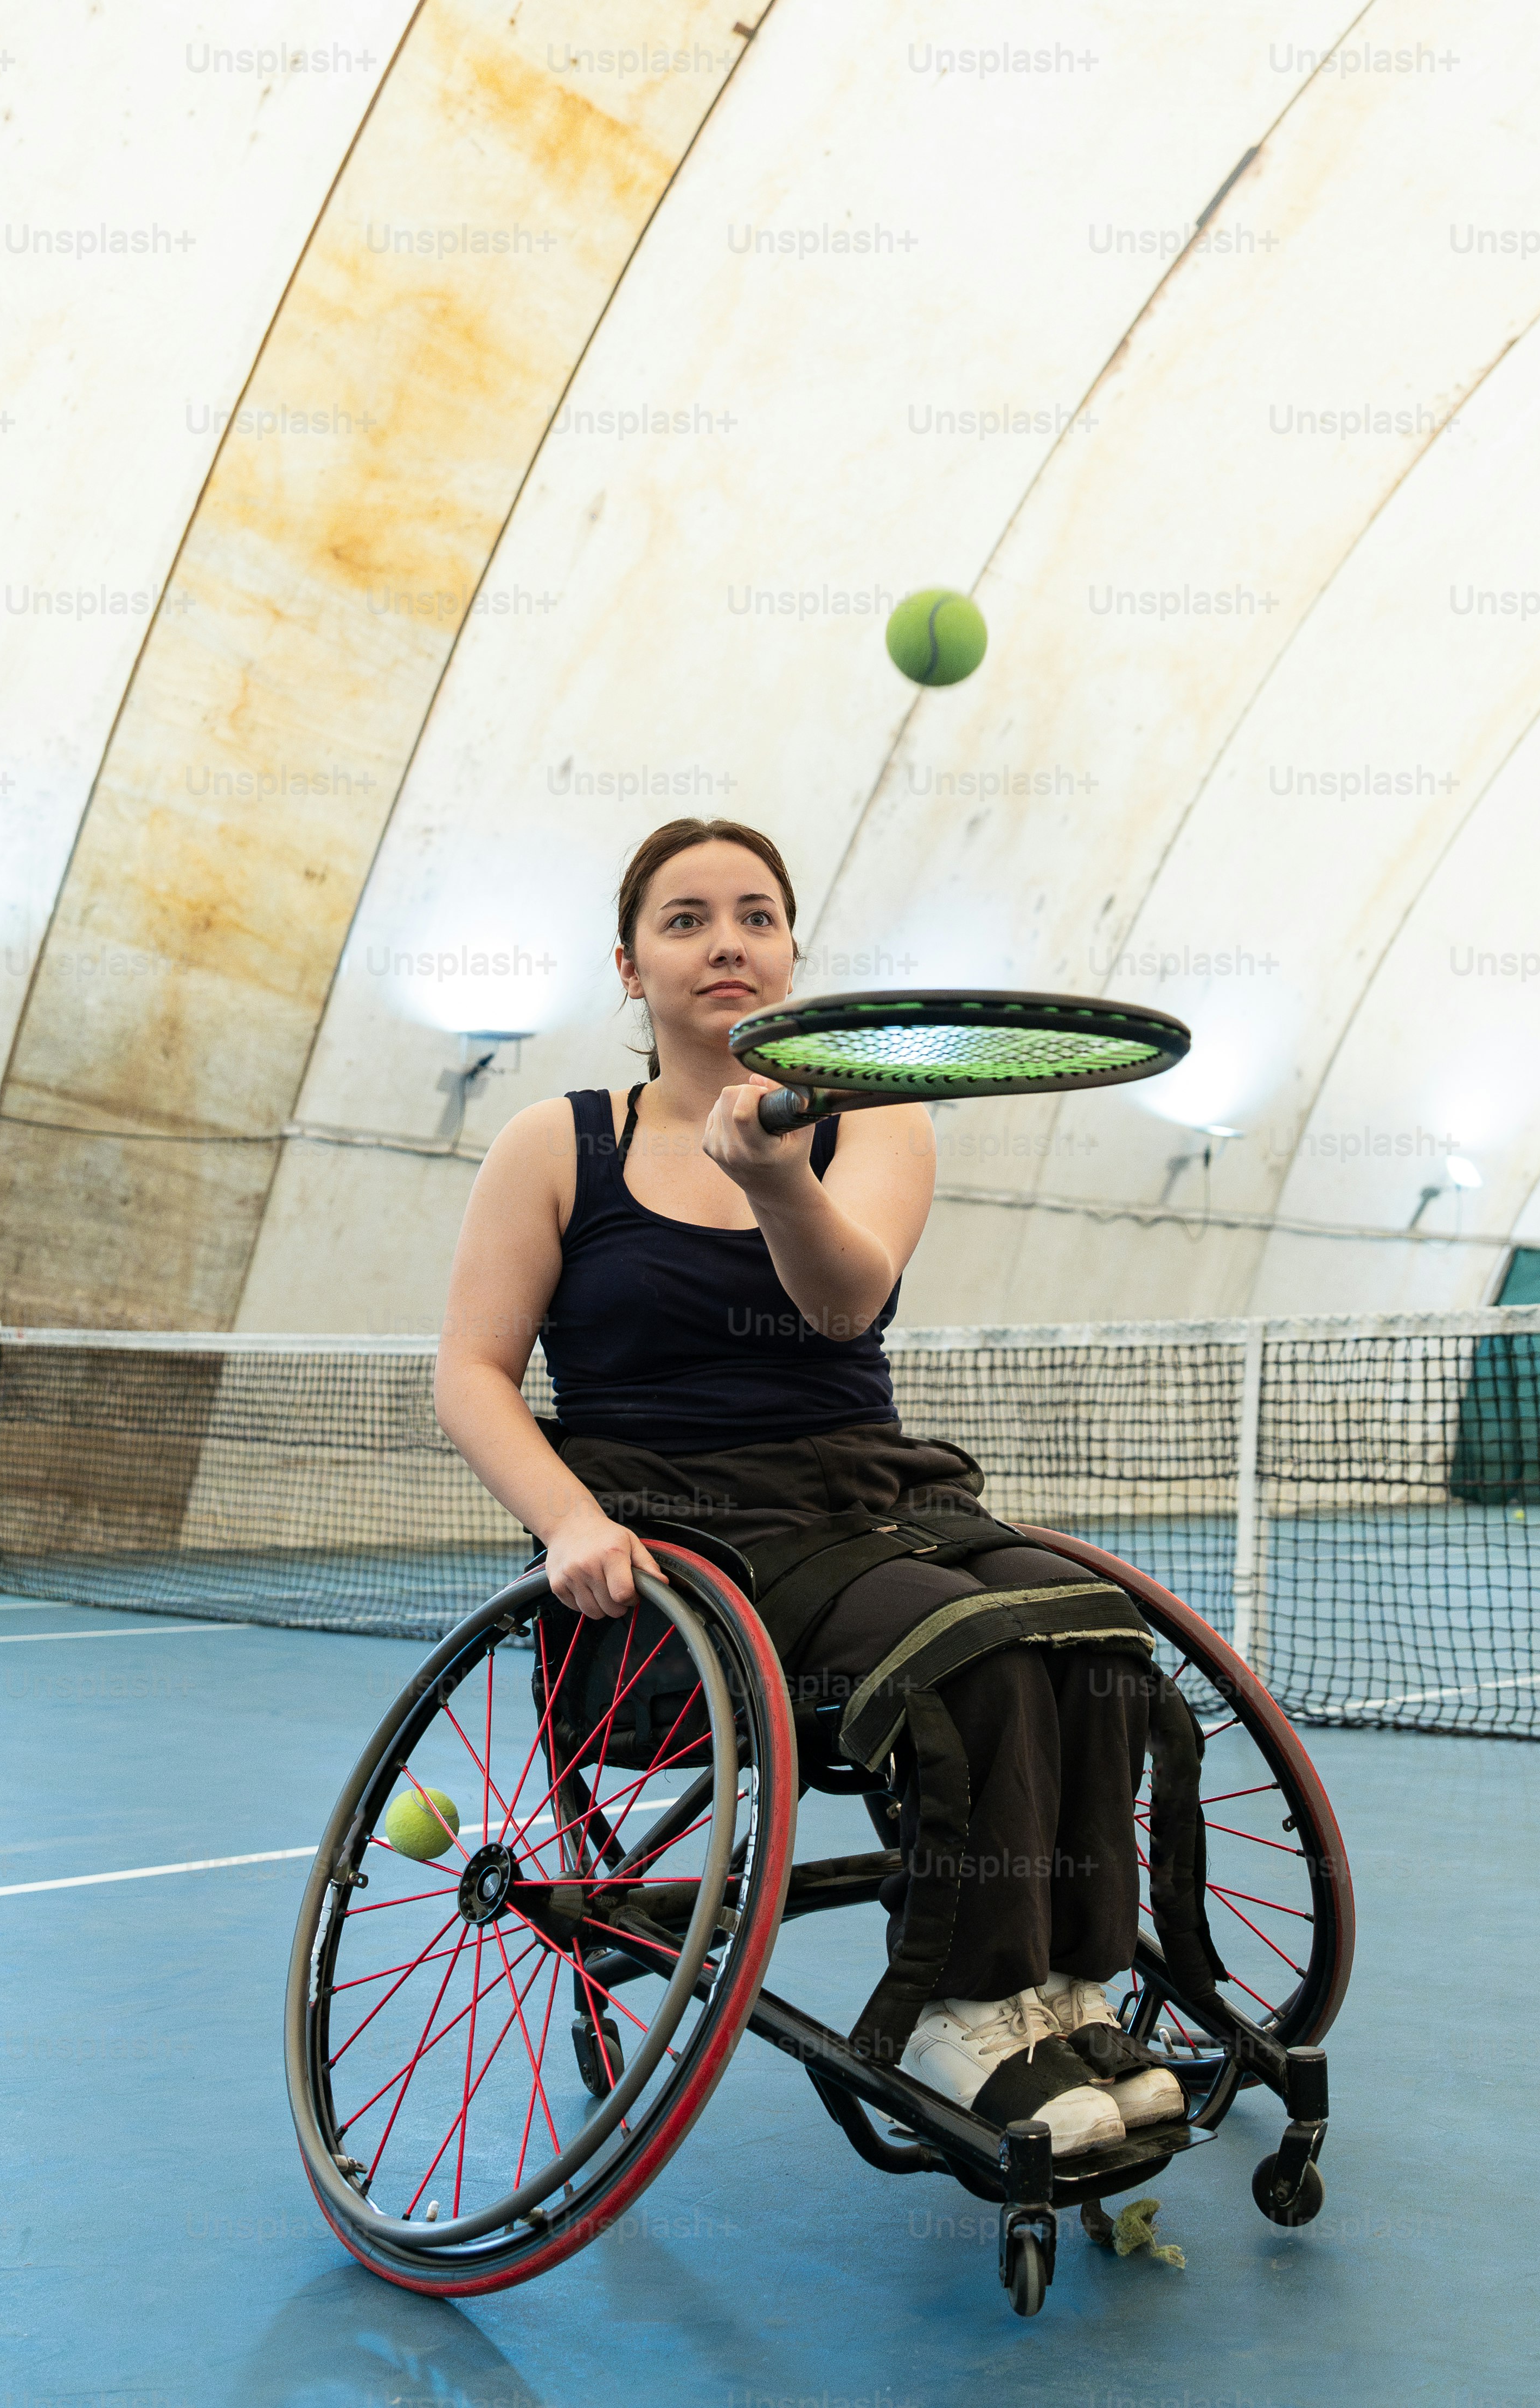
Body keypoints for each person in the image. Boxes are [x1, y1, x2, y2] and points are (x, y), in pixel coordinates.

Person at [432, 816, 1182, 2151]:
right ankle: (966, 2011)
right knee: (974, 1650)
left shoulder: (875, 1119)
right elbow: (473, 1374)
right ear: (628, 964)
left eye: (757, 916)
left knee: (1087, 1620)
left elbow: (844, 1310)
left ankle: (1067, 1996)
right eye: (686, 919)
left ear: (790, 954)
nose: (727, 943)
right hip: (679, 1540)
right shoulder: (556, 1148)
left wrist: (779, 1183)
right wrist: (569, 1522)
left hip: (874, 1494)